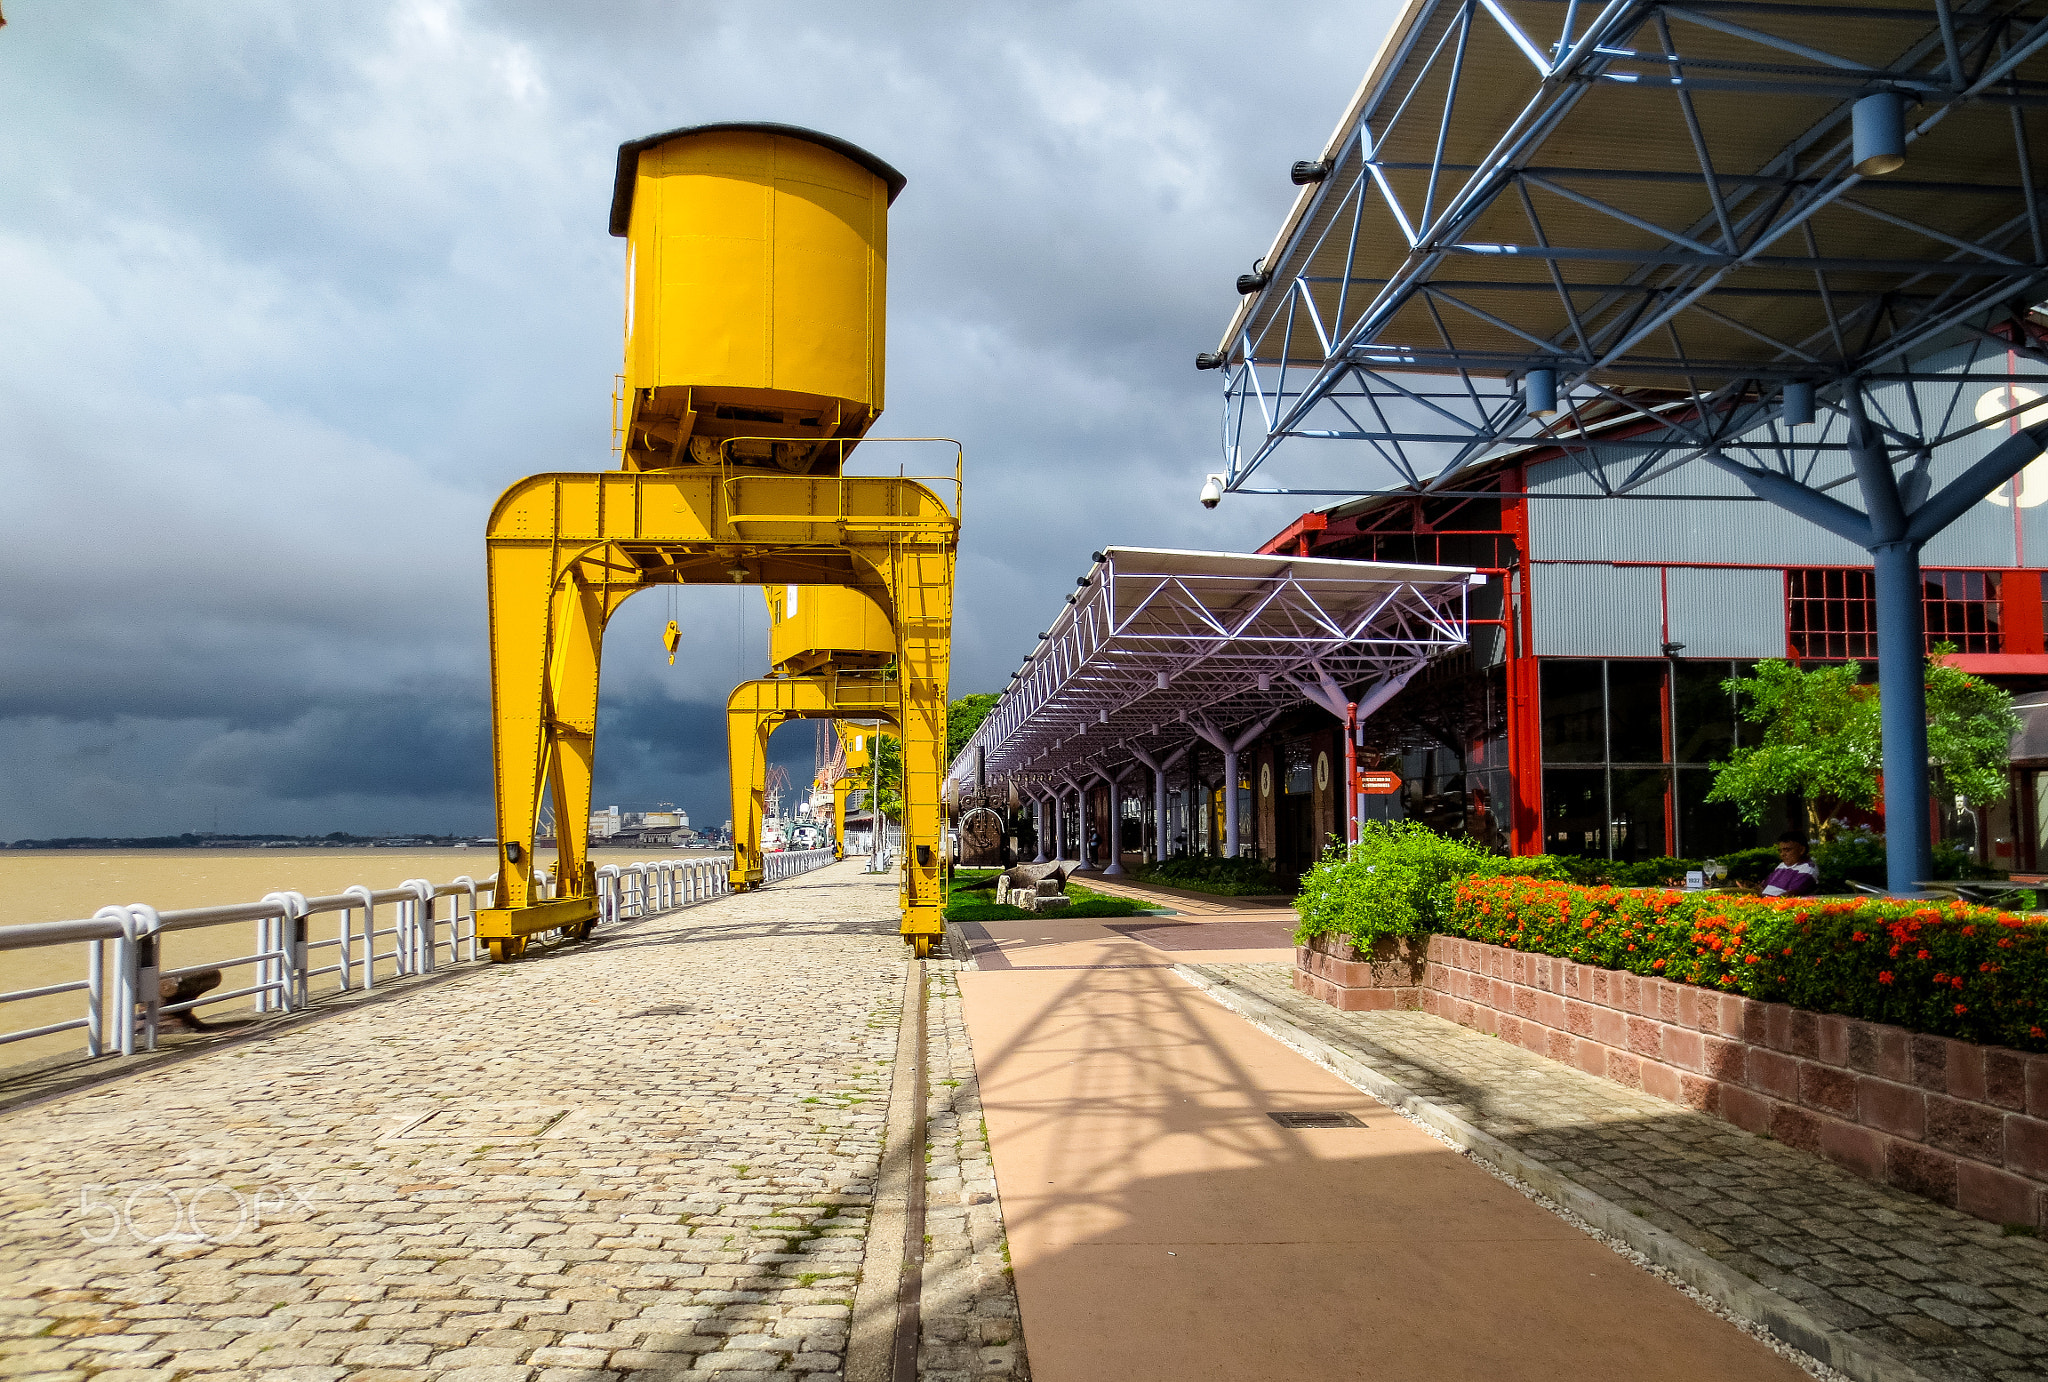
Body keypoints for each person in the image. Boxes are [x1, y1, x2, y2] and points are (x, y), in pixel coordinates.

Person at [1760, 832, 1820, 896]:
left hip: (1779, 901)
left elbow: (1791, 894)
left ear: (1801, 850)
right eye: (1780, 851)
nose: (1782, 854)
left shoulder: (1807, 869)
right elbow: (1763, 886)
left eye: (1787, 850)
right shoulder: (1782, 865)